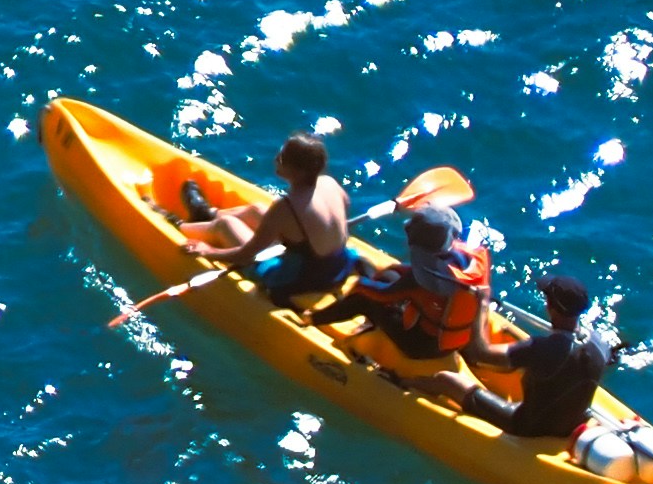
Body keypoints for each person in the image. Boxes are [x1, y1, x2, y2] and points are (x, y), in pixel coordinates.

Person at [175, 136, 356, 304]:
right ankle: (205, 213)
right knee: (257, 210)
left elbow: (246, 255)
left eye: (282, 158)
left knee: (226, 225)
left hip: (299, 281)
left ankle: (177, 225)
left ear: (298, 171)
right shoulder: (329, 183)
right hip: (336, 267)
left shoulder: (286, 207)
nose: (276, 159)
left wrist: (208, 251)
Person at [344, 201, 497, 369]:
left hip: (419, 347)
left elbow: (381, 294)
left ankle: (313, 320)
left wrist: (360, 285)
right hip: (453, 341)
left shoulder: (418, 280)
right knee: (393, 274)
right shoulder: (475, 258)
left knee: (366, 296)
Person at [475, 272, 618, 447]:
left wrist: (482, 305)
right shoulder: (599, 344)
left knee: (447, 380)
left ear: (550, 307)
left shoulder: (540, 348)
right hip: (570, 426)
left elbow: (480, 352)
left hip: (527, 428)